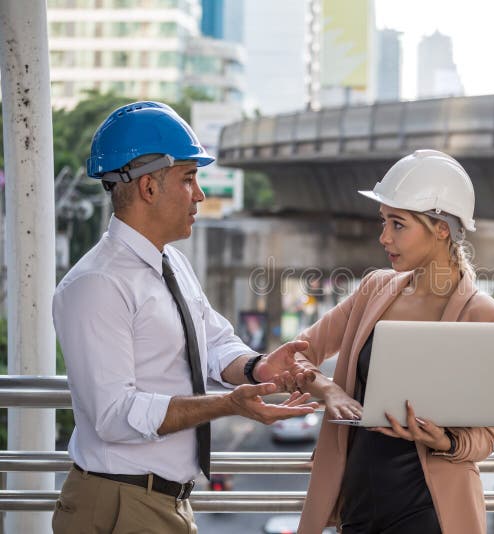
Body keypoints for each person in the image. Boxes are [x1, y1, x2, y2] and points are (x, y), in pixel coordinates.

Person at [51, 101, 318, 534]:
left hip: (163, 501)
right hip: (120, 504)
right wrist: (227, 405)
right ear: (148, 189)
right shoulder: (96, 284)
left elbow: (214, 343)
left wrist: (258, 368)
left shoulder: (172, 262)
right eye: (189, 178)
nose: (200, 195)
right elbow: (115, 415)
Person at [292, 150, 494, 534]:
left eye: (398, 225)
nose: (384, 237)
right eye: (384, 223)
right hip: (357, 507)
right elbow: (298, 354)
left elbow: (484, 439)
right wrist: (328, 391)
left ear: (441, 228)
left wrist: (443, 440)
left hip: (429, 514)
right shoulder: (374, 289)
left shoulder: (488, 318)